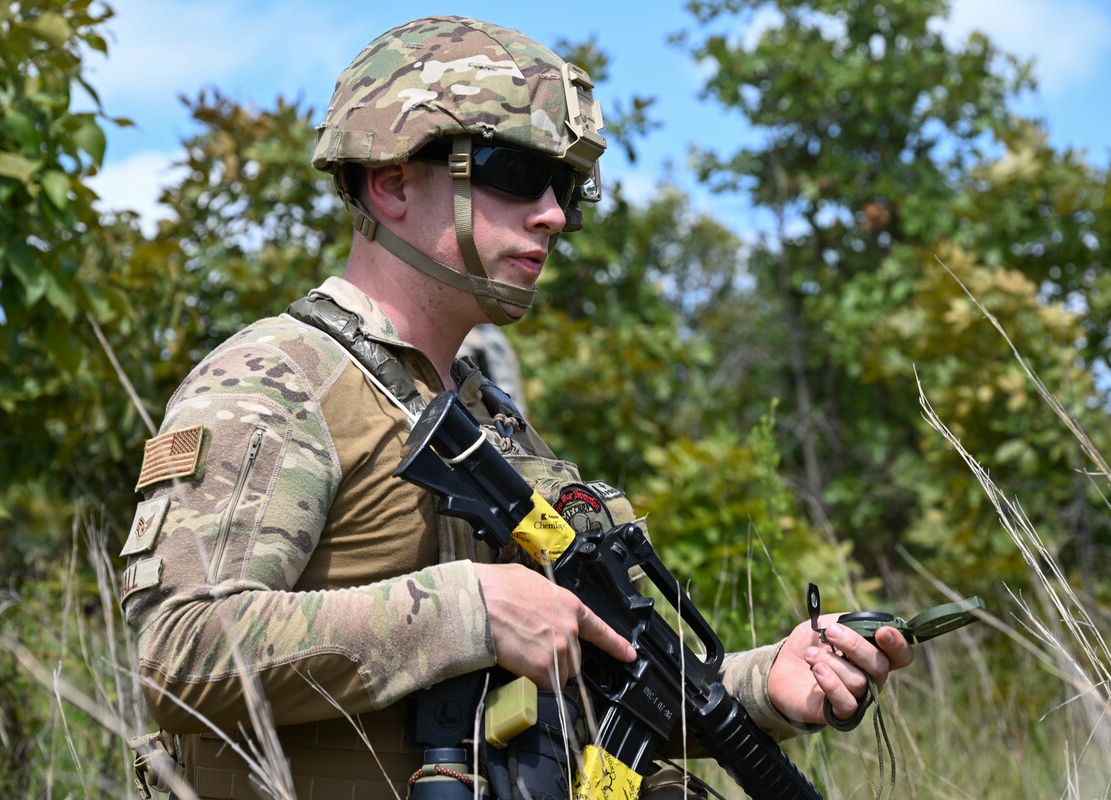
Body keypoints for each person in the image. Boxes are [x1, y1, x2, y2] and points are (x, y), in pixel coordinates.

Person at [120, 15, 914, 799]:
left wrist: (761, 685)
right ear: (390, 180)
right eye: (510, 173)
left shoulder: (489, 418)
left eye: (565, 186)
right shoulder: (280, 381)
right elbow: (179, 655)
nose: (554, 213)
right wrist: (469, 611)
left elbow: (598, 681)